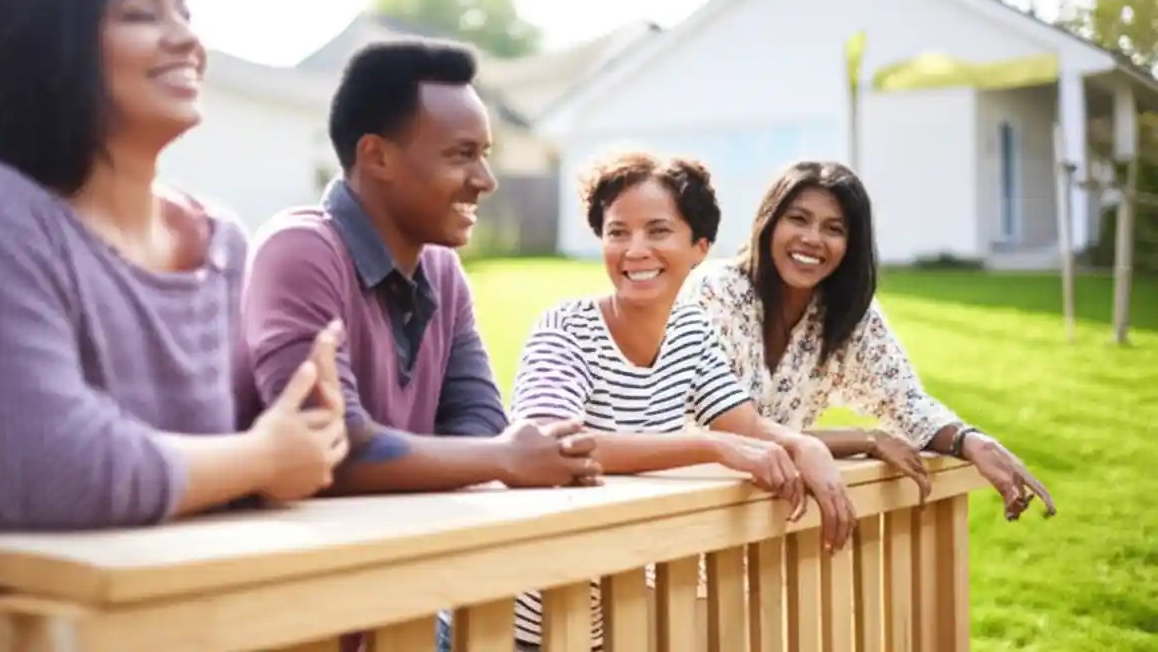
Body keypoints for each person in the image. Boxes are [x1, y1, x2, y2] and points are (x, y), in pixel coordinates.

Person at [0, 0, 348, 649]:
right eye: (140, 13)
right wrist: (261, 457)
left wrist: (303, 442)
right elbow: (44, 476)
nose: (186, 37)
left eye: (184, 11)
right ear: (45, 41)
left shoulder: (220, 242)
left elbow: (243, 465)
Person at [501, 152, 856, 650]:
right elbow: (549, 447)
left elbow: (748, 427)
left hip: (609, 617)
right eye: (617, 231)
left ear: (699, 247)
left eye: (658, 231)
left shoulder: (690, 332)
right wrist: (709, 447)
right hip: (517, 618)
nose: (635, 250)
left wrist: (806, 447)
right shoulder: (566, 329)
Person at [240, 39, 601, 499]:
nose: (485, 181)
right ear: (377, 157)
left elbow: (481, 419)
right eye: (461, 154)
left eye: (485, 154)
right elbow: (330, 443)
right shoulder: (299, 250)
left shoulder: (442, 269)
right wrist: (505, 459)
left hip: (414, 550)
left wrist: (498, 454)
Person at [686, 160, 1056, 522]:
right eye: (798, 219)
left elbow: (905, 402)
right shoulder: (718, 291)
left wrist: (971, 441)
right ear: (768, 222)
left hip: (766, 517)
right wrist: (865, 440)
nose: (812, 239)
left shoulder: (846, 313)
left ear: (851, 244)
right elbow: (734, 427)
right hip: (679, 501)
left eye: (834, 228)